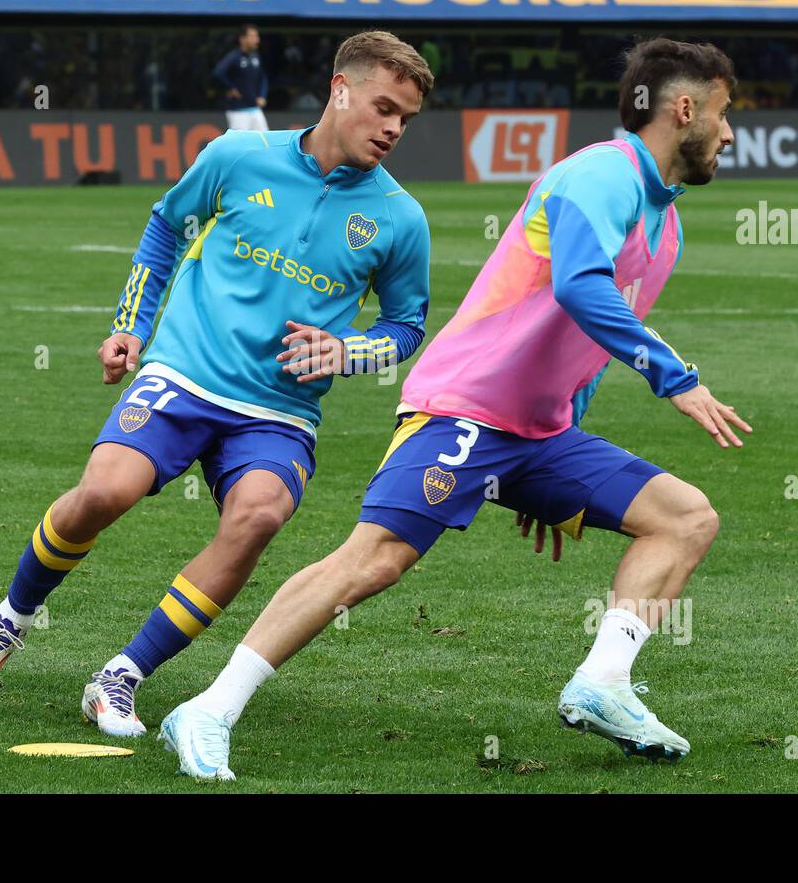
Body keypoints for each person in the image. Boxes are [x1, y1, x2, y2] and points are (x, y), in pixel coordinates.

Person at [160, 38, 750, 780]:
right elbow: (580, 287)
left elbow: (584, 344)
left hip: (538, 433)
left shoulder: (666, 224)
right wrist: (673, 376)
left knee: (687, 517)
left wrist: (562, 444)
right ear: (685, 108)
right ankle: (208, 709)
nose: (729, 133)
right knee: (375, 560)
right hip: (466, 408)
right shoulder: (601, 175)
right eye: (725, 113)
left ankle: (602, 684)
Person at [0, 32, 435, 740]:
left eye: (407, 120)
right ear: (340, 89)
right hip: (184, 374)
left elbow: (405, 325)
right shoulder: (238, 157)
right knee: (104, 492)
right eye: (385, 108)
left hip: (281, 411)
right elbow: (165, 228)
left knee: (259, 516)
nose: (393, 129)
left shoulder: (400, 219)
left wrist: (348, 351)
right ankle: (7, 623)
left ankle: (123, 676)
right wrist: (129, 325)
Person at [213, 24, 269, 132]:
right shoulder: (234, 56)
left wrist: (262, 95)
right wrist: (230, 87)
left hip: (255, 109)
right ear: (242, 39)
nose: (257, 40)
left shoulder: (256, 56)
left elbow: (263, 77)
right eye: (252, 36)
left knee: (265, 142)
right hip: (238, 111)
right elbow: (218, 73)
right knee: (240, 146)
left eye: (257, 36)